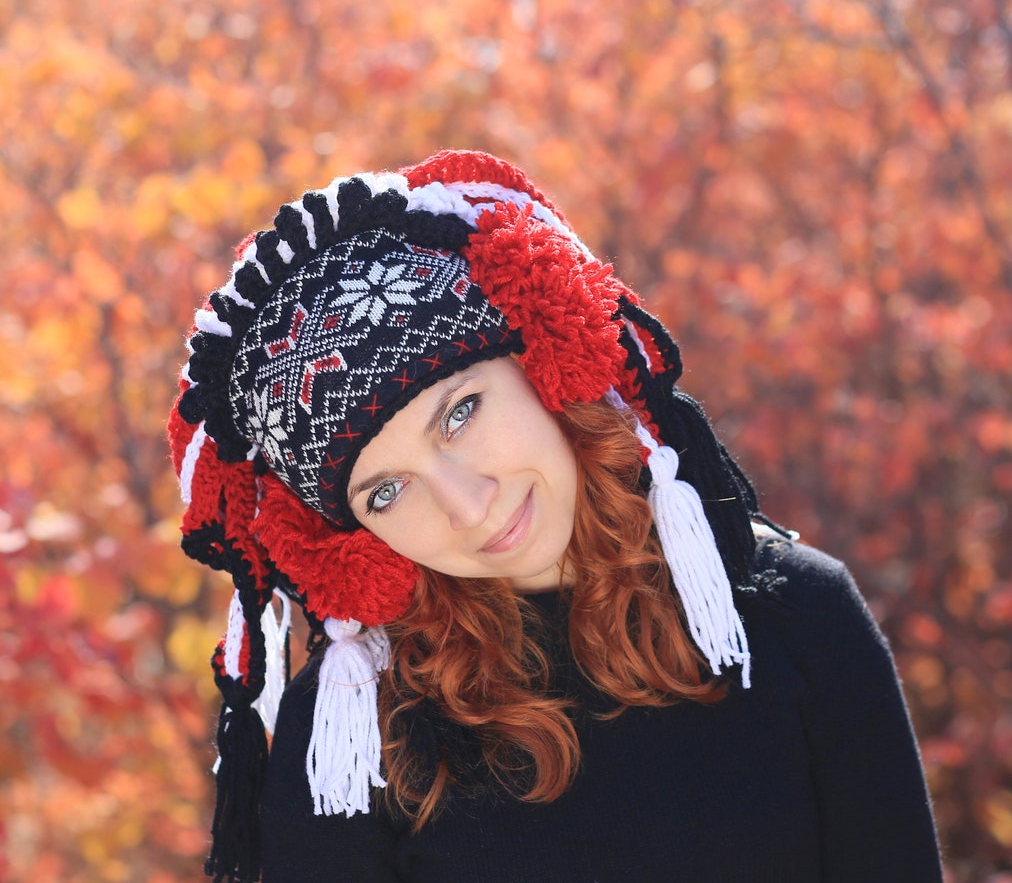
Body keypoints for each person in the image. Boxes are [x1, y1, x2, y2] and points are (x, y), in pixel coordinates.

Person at [168, 150, 943, 883]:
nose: (468, 506)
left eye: (460, 413)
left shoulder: (796, 619)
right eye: (386, 491)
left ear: (541, 364)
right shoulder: (357, 734)